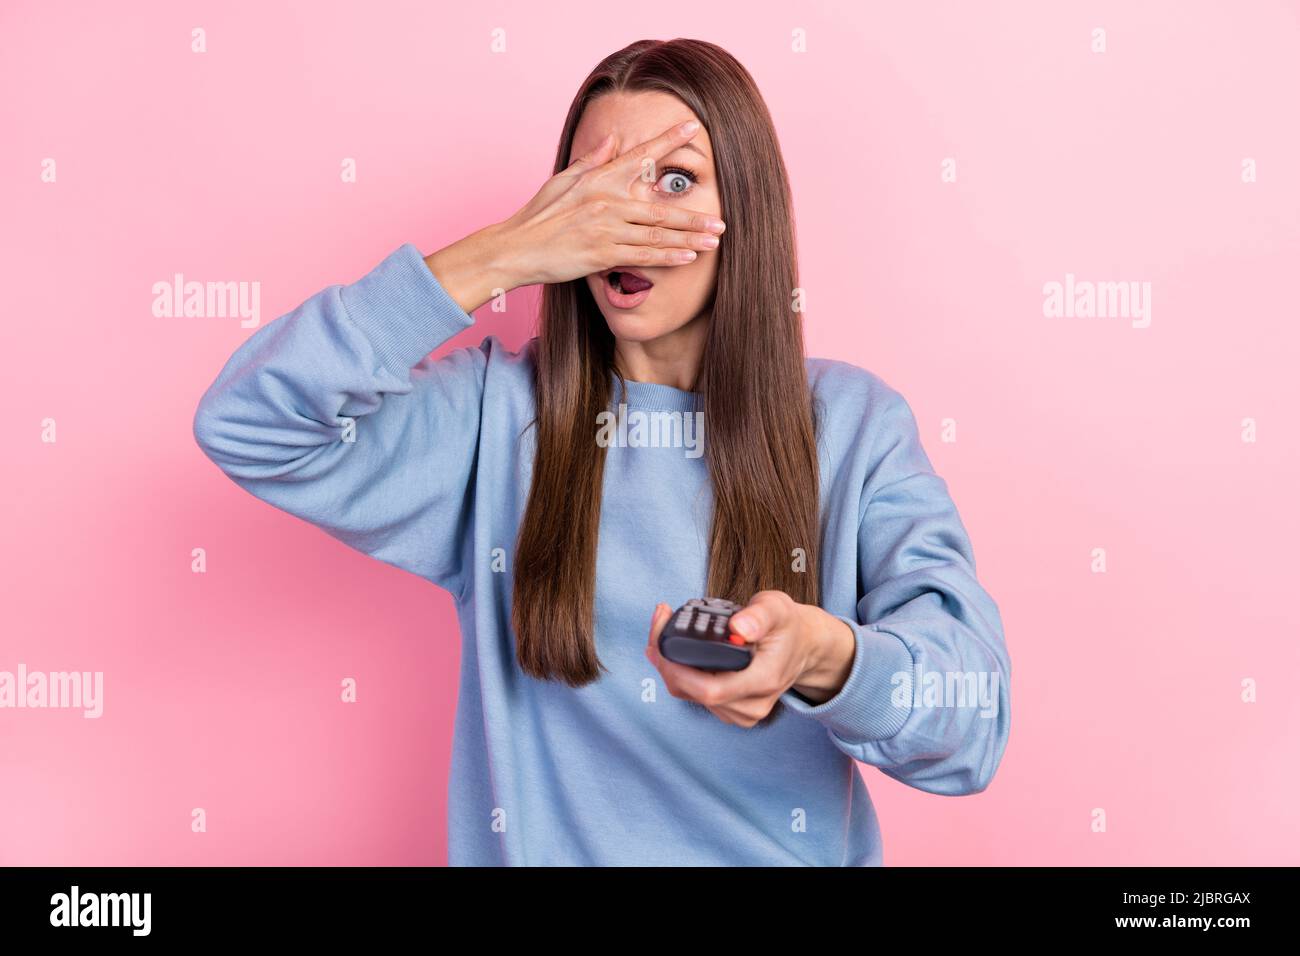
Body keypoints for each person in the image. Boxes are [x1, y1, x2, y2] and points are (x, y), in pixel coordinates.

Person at [192, 38, 1011, 866]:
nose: (628, 217)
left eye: (676, 180)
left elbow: (971, 725)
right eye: (594, 187)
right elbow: (250, 420)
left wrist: (826, 656)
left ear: (747, 213)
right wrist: (501, 255)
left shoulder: (851, 426)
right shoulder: (492, 420)